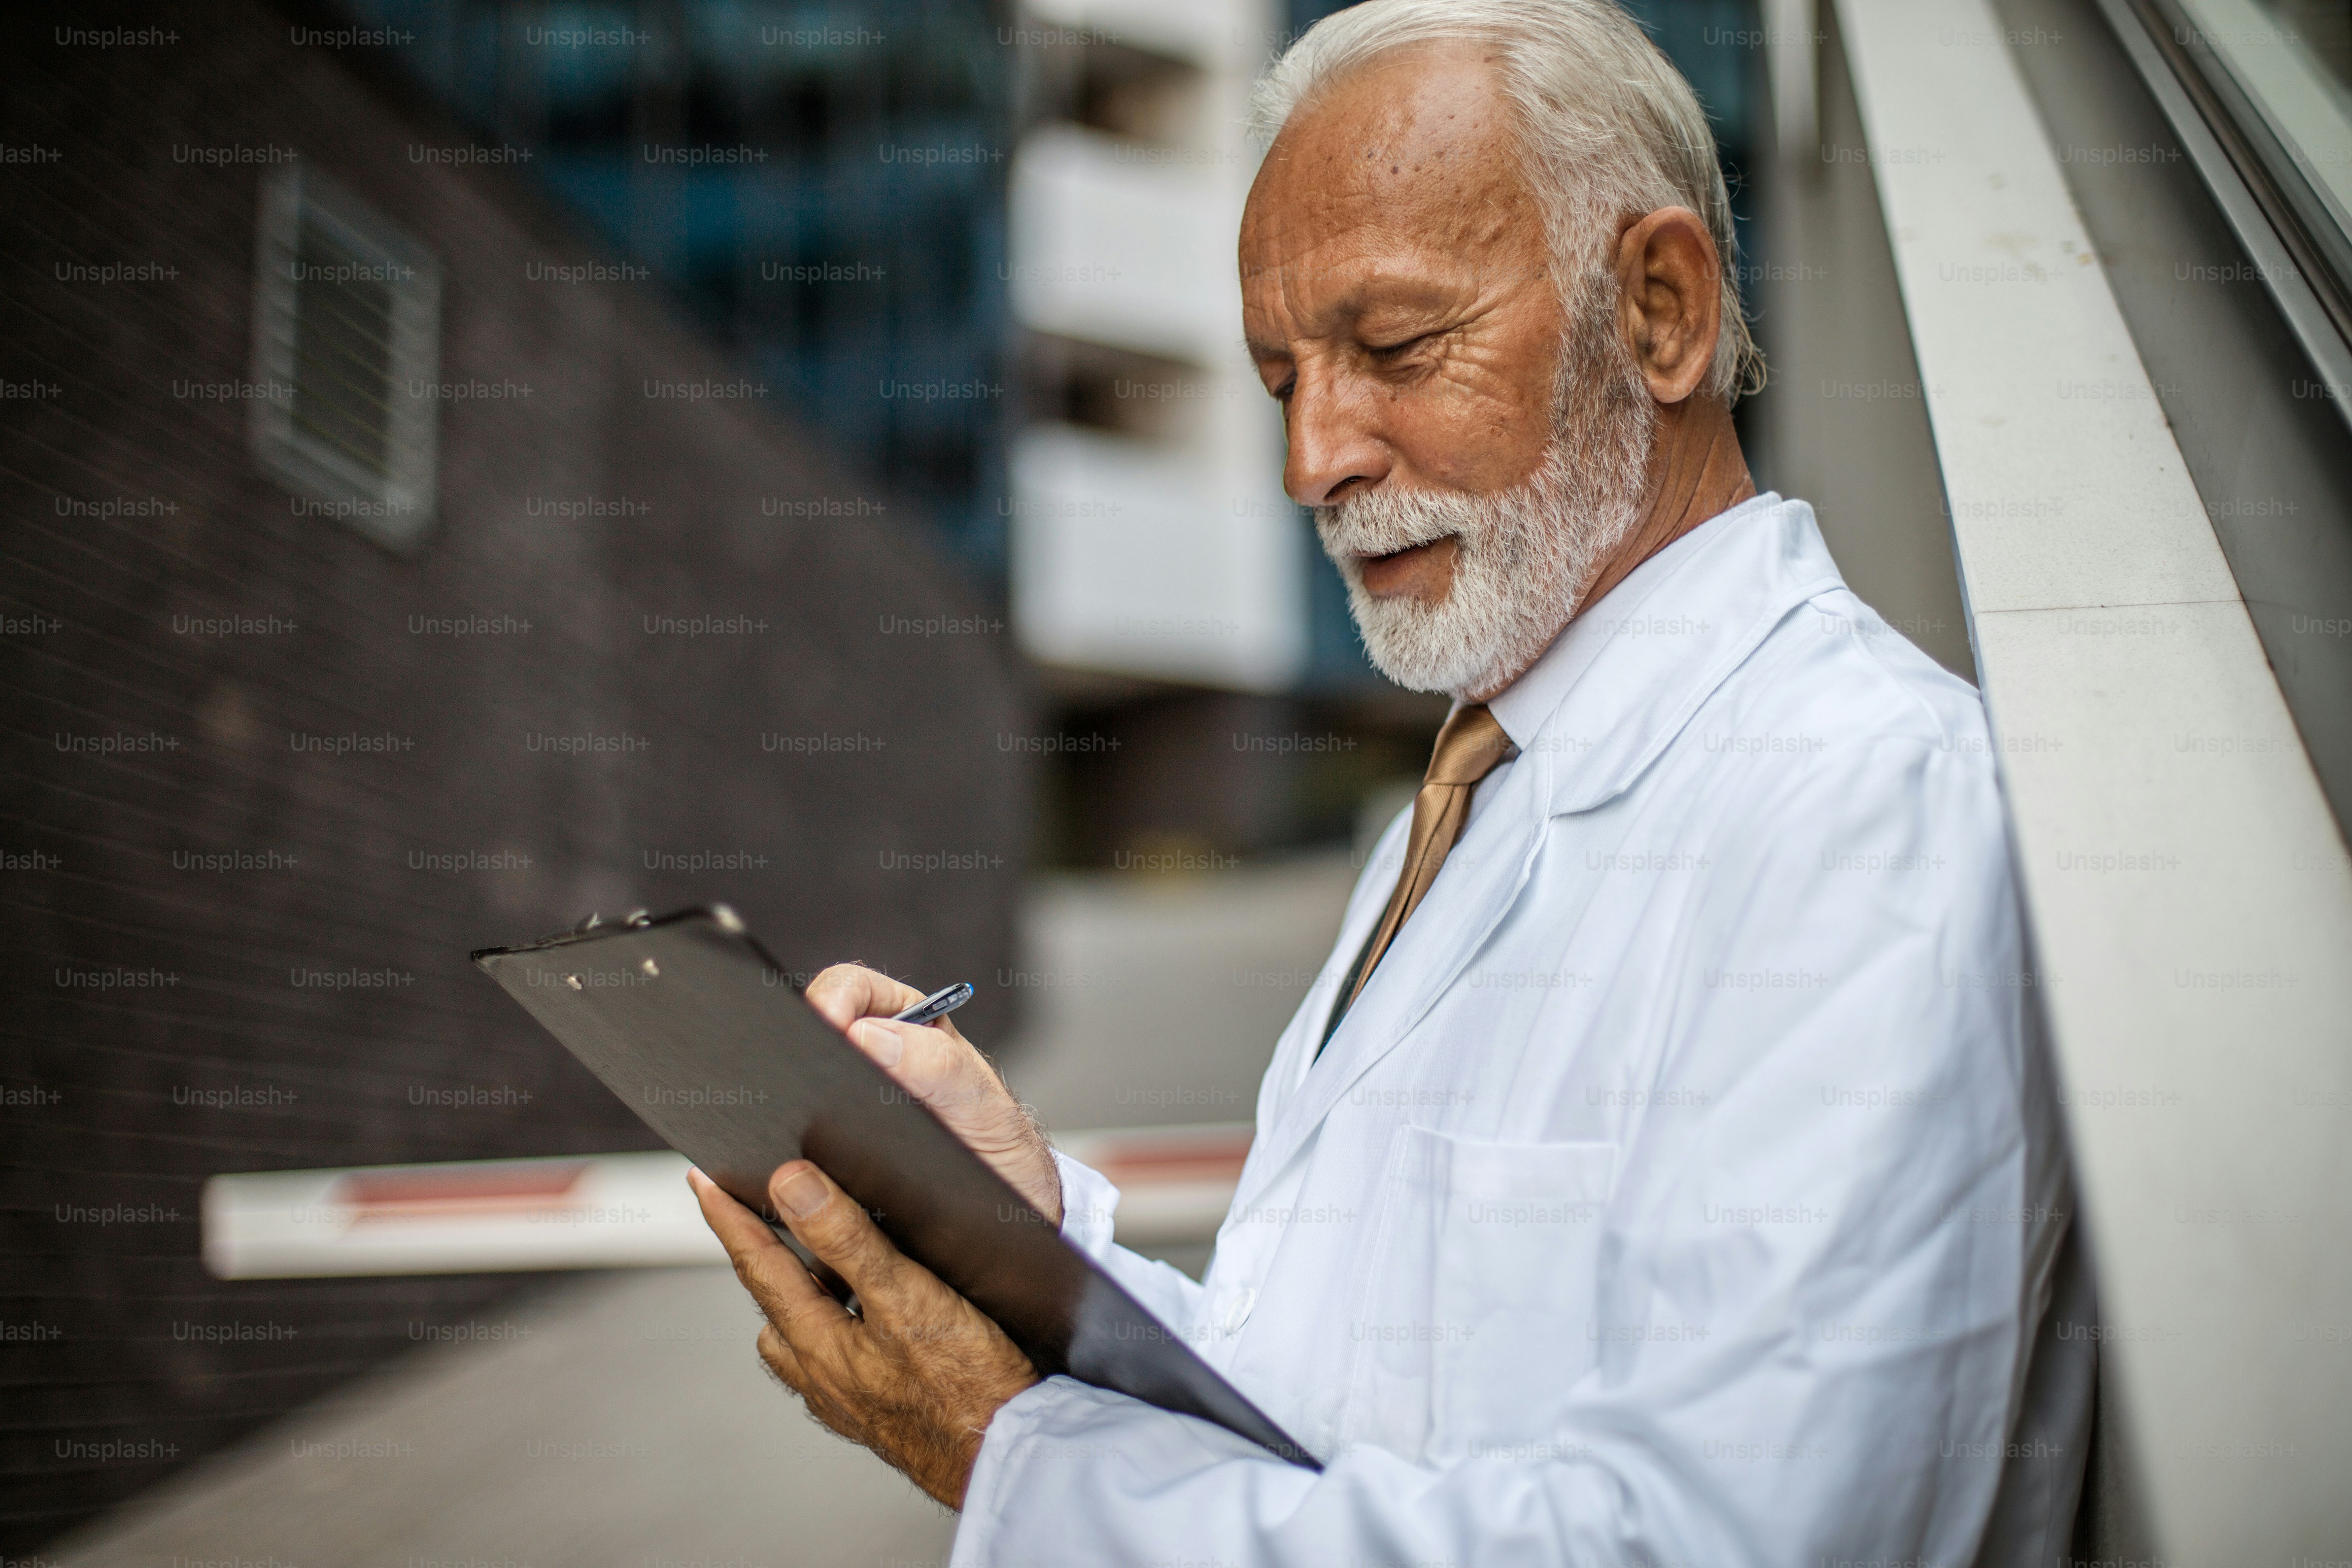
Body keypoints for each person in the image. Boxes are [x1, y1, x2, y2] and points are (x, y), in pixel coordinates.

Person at [689, 2, 2093, 1562]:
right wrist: (1032, 1236)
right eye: (1282, 376)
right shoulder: (1477, 781)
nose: (1316, 459)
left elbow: (1723, 1539)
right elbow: (1340, 1392)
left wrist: (1012, 1455)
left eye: (1396, 347)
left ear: (1659, 310)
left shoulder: (1865, 806)